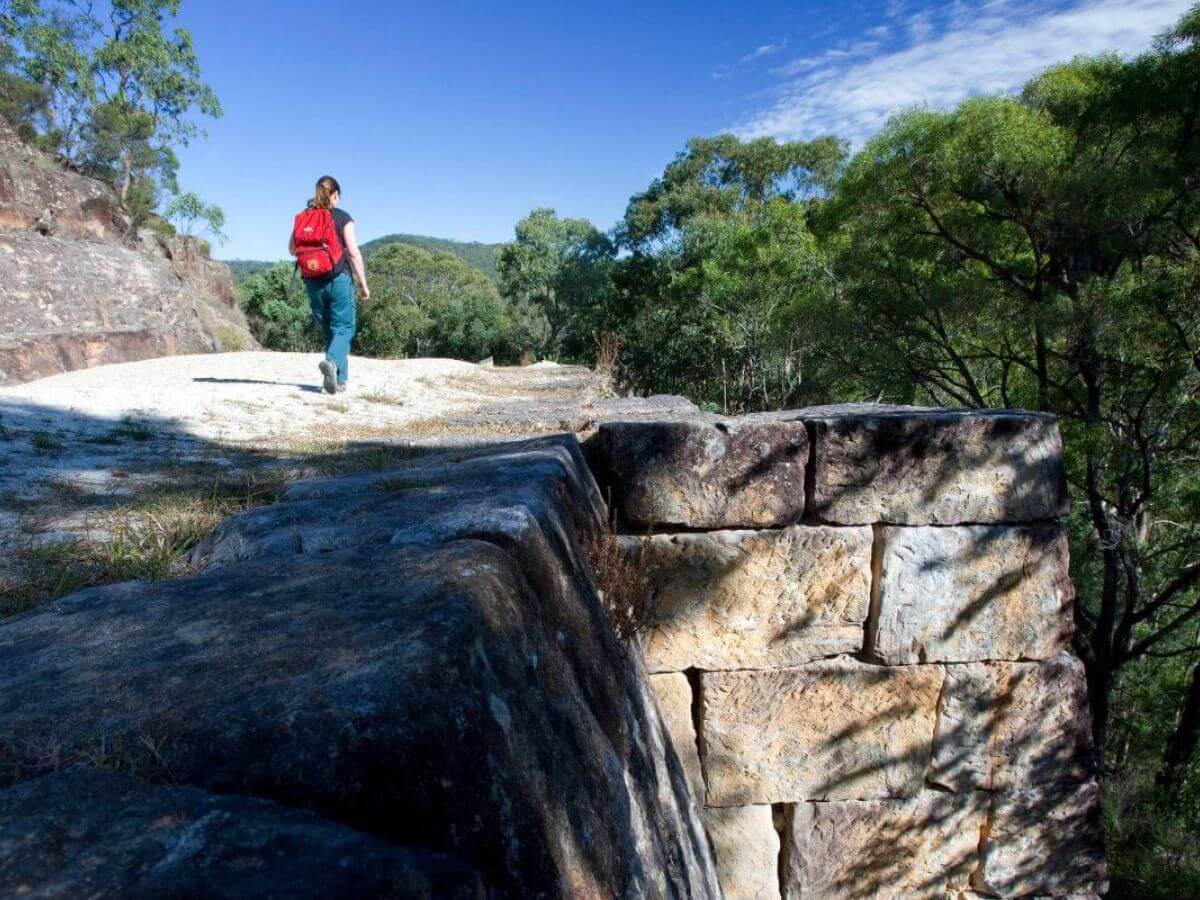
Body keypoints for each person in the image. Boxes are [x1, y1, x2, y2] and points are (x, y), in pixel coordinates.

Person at [288, 175, 370, 393]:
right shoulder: (343, 217)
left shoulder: (304, 217)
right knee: (344, 328)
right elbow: (353, 252)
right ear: (335, 195)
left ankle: (338, 381)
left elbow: (292, 250)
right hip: (338, 278)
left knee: (330, 332)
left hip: (313, 281)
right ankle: (332, 362)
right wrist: (363, 284)